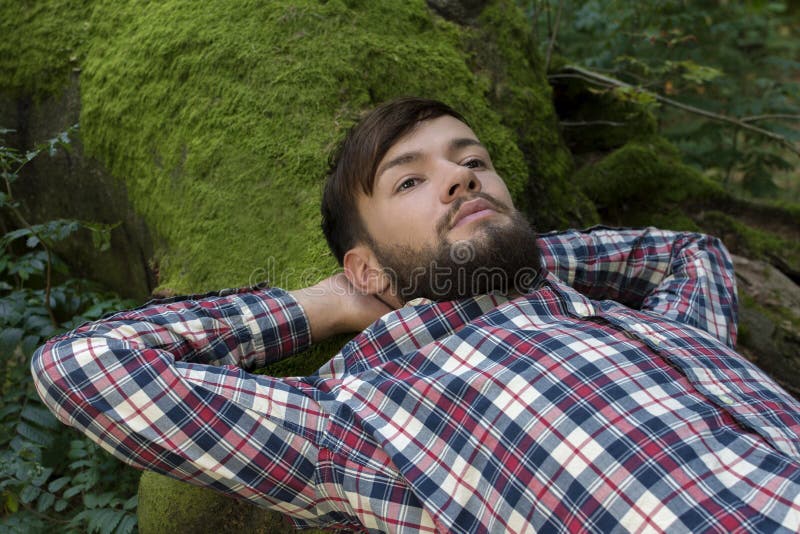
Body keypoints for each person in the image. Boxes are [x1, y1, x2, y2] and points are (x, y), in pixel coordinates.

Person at [32, 98, 800, 533]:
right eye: (409, 182)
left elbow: (688, 253)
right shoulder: (365, 420)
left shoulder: (671, 328)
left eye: (472, 160)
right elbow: (85, 368)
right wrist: (327, 305)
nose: (463, 178)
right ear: (365, 266)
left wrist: (512, 255)